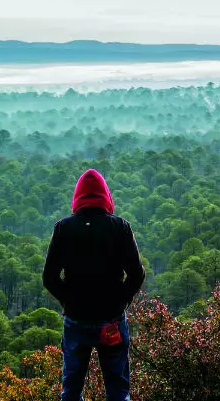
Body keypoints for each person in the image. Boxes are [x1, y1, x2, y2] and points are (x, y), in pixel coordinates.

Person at [43, 169, 145, 401]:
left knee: (71, 392)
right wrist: (120, 302)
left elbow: (49, 278)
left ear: (77, 197)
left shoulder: (63, 228)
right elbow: (137, 274)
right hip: (111, 321)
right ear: (106, 197)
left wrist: (68, 301)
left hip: (77, 321)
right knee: (118, 392)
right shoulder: (120, 227)